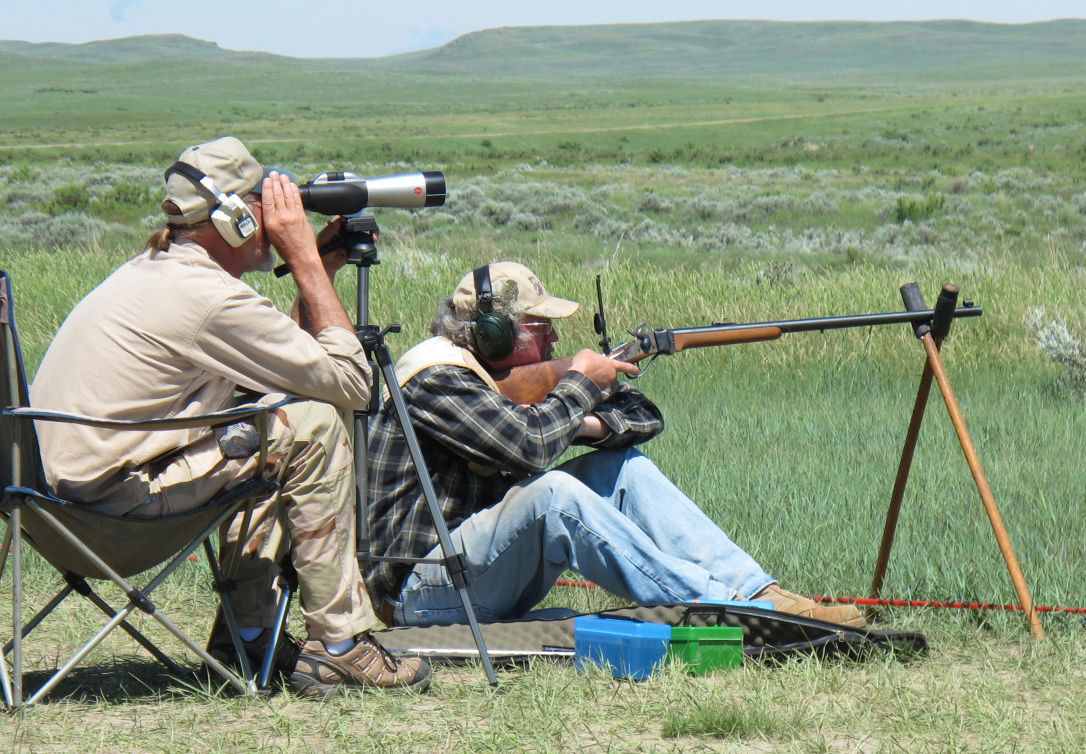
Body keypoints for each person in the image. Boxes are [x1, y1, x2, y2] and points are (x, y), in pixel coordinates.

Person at [31, 136, 430, 696]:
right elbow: (349, 386)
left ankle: (248, 637)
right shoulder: (209, 298)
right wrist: (304, 259)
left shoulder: (155, 272)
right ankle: (341, 645)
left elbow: (289, 368)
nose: (279, 218)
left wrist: (322, 268)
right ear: (238, 218)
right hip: (111, 521)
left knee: (266, 430)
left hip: (50, 515)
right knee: (309, 424)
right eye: (269, 205)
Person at [365, 261, 865, 629]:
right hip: (420, 591)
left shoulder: (496, 376)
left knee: (623, 469)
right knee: (555, 494)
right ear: (496, 334)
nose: (555, 340)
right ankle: (729, 613)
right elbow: (529, 446)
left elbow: (643, 417)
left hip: (470, 575)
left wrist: (585, 425)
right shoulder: (437, 378)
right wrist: (580, 384)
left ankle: (764, 595)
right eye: (542, 327)